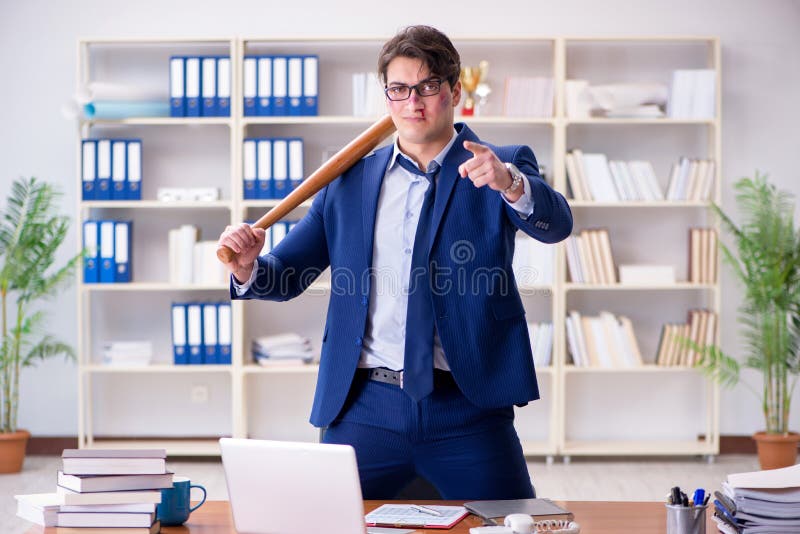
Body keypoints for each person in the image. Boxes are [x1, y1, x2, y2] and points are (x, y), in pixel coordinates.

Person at [217, 25, 572, 500]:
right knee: (327, 524)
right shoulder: (348, 180)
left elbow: (556, 224)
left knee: (514, 524)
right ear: (385, 96)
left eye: (427, 87)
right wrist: (247, 267)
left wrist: (509, 183)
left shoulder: (500, 164)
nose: (413, 103)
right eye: (399, 90)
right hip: (365, 408)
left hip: (468, 408)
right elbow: (287, 275)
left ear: (453, 90)